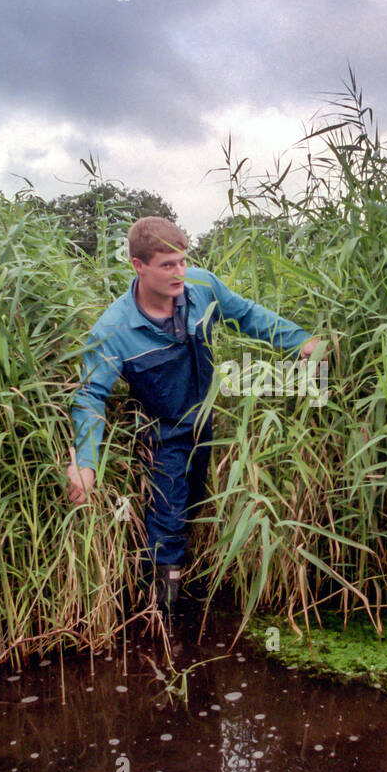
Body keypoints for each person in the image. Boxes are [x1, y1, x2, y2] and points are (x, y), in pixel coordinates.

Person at [66, 216, 319, 622]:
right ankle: (162, 616)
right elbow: (90, 396)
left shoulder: (202, 287)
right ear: (138, 266)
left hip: (207, 423)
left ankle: (187, 580)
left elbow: (249, 315)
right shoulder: (112, 331)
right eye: (167, 265)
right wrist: (85, 462)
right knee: (167, 520)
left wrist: (301, 343)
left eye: (182, 262)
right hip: (163, 434)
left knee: (195, 506)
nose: (179, 273)